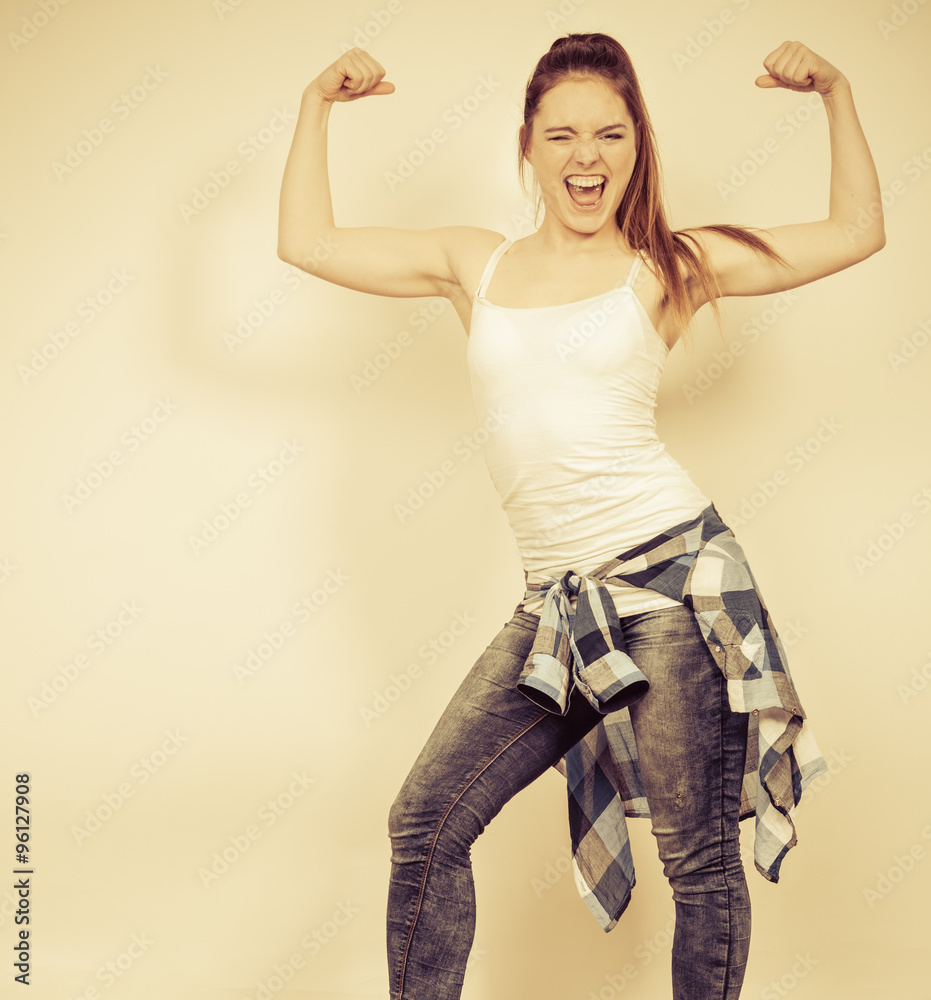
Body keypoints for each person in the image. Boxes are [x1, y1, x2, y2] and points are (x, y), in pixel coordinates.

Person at [277, 32, 884, 1000]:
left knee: (696, 861)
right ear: (528, 144)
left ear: (637, 143)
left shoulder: (671, 265)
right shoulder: (472, 264)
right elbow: (305, 244)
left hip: (670, 586)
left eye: (608, 132)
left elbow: (855, 232)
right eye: (561, 134)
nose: (585, 156)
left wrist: (836, 90)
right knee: (426, 823)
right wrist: (315, 103)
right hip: (556, 607)